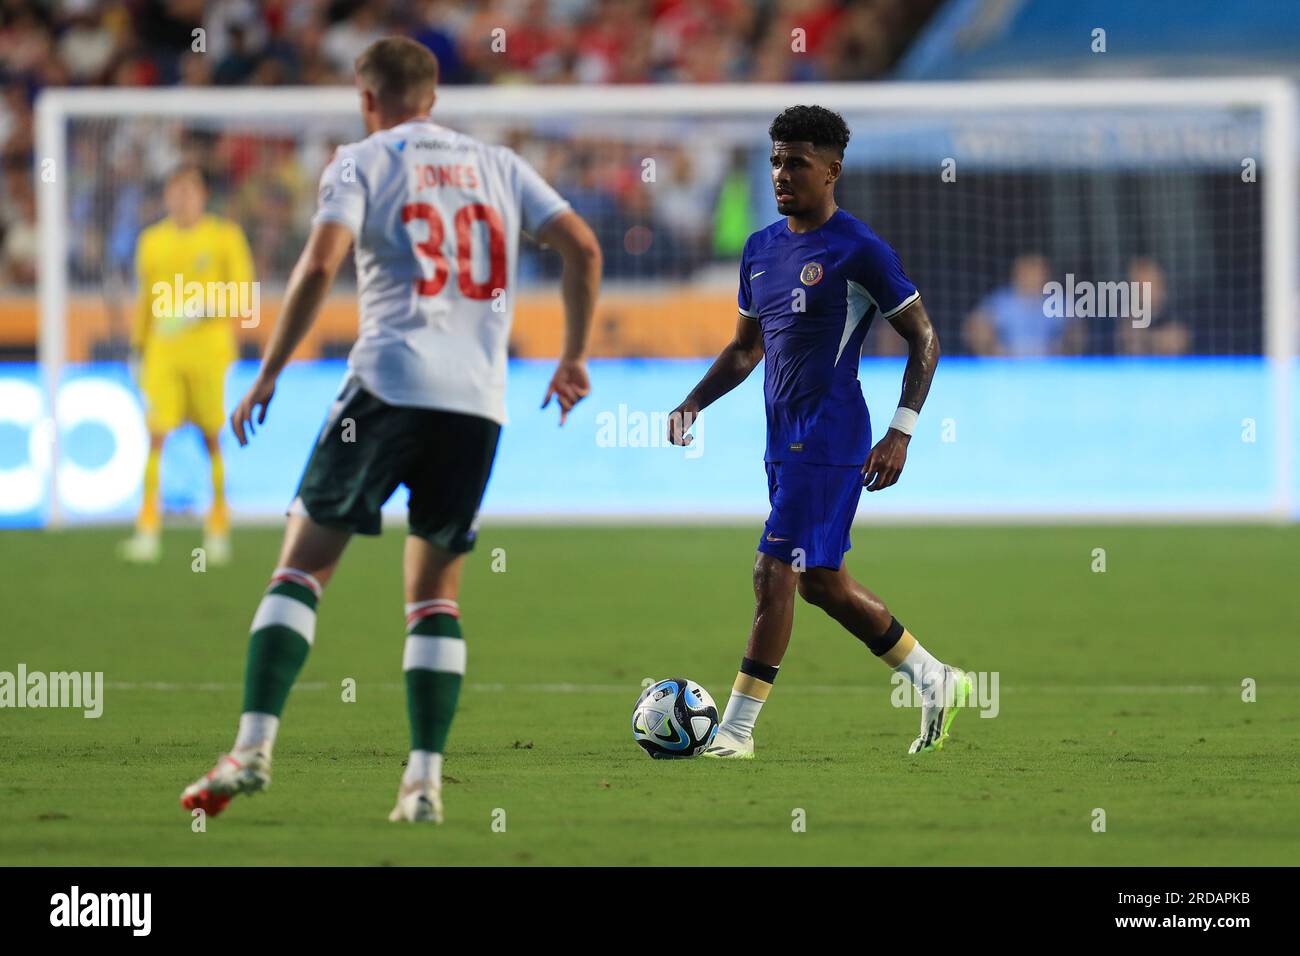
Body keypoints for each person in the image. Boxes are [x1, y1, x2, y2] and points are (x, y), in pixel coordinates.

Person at [179, 37, 601, 823]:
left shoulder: (361, 159)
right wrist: (573, 356)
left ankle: (253, 746)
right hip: (478, 404)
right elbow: (581, 244)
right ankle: (424, 784)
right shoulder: (500, 165)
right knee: (435, 594)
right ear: (433, 95)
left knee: (301, 568)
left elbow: (318, 263)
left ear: (366, 98)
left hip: (386, 386)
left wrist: (269, 370)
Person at [667, 105, 970, 758]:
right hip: (780, 440)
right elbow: (746, 350)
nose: (782, 173)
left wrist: (901, 432)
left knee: (772, 571)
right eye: (776, 160)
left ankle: (737, 732)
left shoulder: (859, 249)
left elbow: (924, 337)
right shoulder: (759, 250)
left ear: (831, 170)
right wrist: (694, 402)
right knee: (821, 581)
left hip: (831, 438)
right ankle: (934, 677)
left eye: (797, 162)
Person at [120, 165, 254, 565]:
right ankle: (147, 530)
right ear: (166, 196)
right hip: (163, 354)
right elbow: (145, 300)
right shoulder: (151, 241)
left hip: (209, 354)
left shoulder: (224, 237)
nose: (182, 198)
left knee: (212, 437)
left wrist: (203, 308)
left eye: (190, 191)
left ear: (202, 195)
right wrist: (137, 347)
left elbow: (245, 297)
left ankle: (216, 529)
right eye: (175, 191)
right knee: (156, 434)